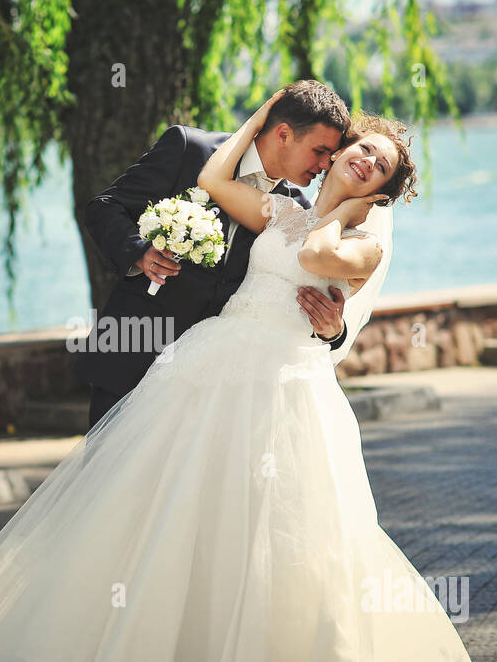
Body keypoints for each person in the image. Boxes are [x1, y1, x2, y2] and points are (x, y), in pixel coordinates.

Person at [0, 92, 494, 662]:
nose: (365, 158)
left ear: (386, 189)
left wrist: (347, 212)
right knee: (167, 518)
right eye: (360, 147)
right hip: (211, 361)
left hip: (282, 385)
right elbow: (211, 182)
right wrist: (257, 122)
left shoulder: (362, 237)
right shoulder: (282, 204)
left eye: (382, 162)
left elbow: (316, 256)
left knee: (267, 535)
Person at [74, 80, 355, 428]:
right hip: (133, 354)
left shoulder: (297, 213)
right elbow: (104, 207)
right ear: (283, 134)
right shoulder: (189, 149)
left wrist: (334, 331)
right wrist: (139, 252)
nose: (327, 164)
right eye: (320, 150)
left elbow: (297, 303)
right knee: (108, 480)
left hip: (210, 390)